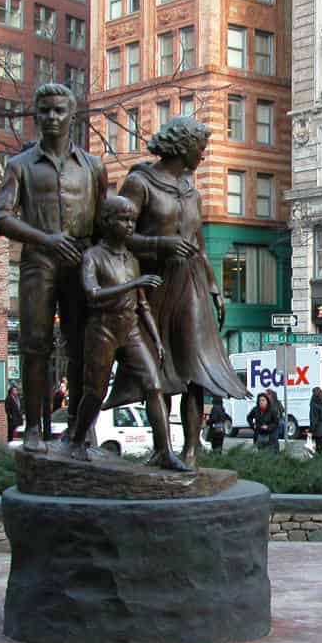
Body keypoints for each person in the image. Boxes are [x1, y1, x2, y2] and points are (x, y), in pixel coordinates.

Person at [104, 115, 251, 468]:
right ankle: (162, 448)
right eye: (200, 149)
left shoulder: (192, 191)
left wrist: (215, 288)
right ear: (182, 147)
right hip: (155, 285)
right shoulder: (140, 183)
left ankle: (191, 451)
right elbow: (118, 235)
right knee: (160, 368)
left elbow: (198, 245)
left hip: (192, 286)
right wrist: (160, 244)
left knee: (195, 369)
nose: (202, 156)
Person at [0, 82, 107, 453]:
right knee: (34, 347)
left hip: (81, 265)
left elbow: (105, 221)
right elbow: (0, 218)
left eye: (59, 110)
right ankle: (33, 429)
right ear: (36, 116)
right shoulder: (20, 166)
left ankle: (80, 427)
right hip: (38, 264)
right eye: (45, 111)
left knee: (82, 348)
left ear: (72, 115)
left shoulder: (93, 167)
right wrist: (45, 239)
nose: (52, 118)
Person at [67, 195, 184, 470]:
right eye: (123, 219)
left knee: (154, 386)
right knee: (94, 392)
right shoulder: (93, 257)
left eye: (132, 220)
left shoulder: (131, 260)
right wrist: (133, 284)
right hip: (102, 329)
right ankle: (77, 439)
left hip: (130, 329)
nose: (130, 225)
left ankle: (163, 451)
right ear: (107, 222)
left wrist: (156, 340)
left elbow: (143, 305)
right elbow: (92, 294)